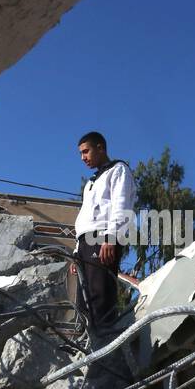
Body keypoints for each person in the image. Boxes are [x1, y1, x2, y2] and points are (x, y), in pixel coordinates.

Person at [74, 131, 135, 329]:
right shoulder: (91, 182)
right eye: (81, 154)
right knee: (83, 302)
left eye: (86, 151)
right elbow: (85, 217)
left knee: (100, 298)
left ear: (100, 148)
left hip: (102, 239)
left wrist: (111, 238)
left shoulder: (118, 170)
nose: (83, 158)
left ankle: (105, 354)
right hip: (85, 243)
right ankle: (86, 350)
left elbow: (121, 205)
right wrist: (76, 251)